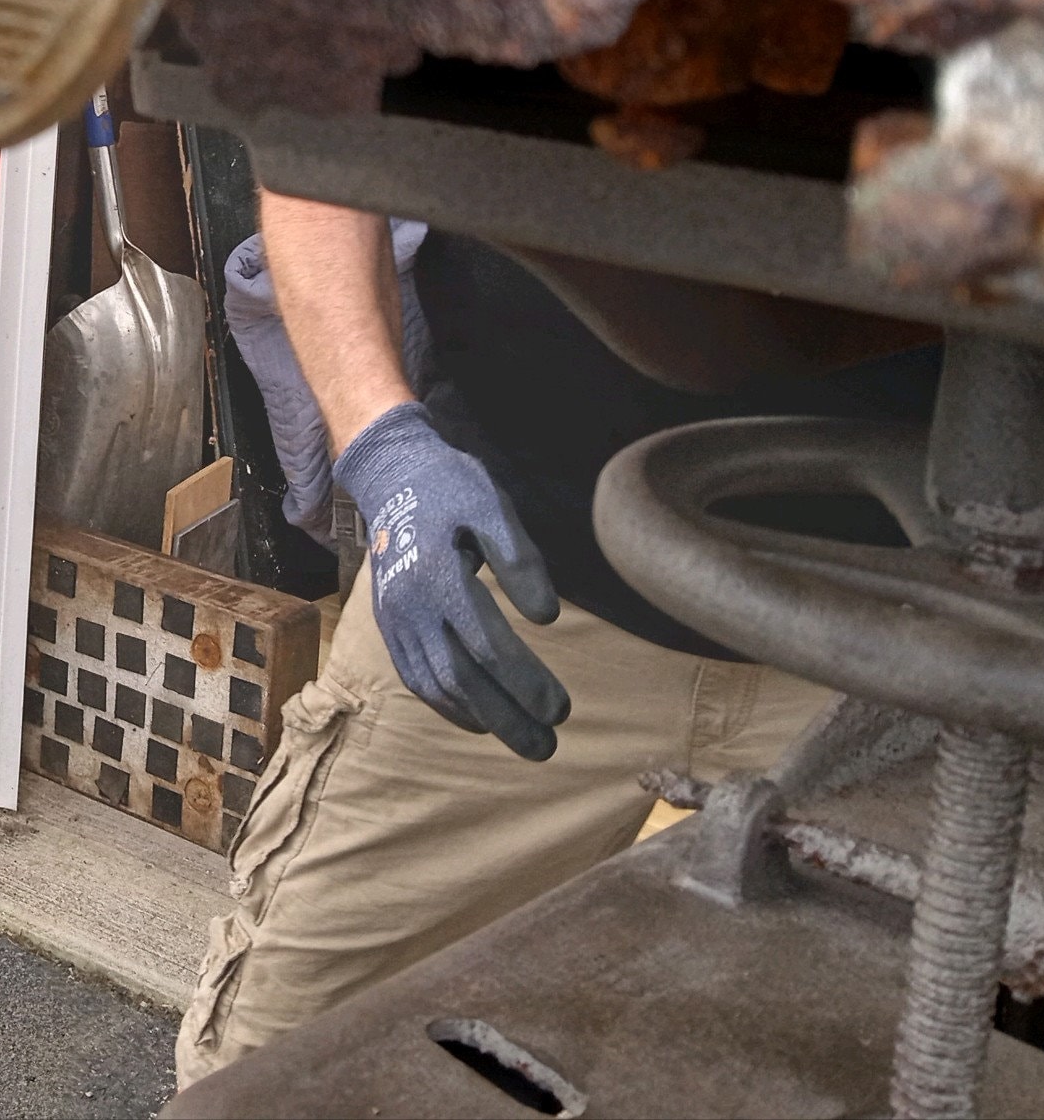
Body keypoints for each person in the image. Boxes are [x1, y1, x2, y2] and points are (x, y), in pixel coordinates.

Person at [177, 189, 941, 1088]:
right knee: (268, 1072)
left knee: (829, 1079)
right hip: (511, 593)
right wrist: (388, 454)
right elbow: (314, 166)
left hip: (889, 647)